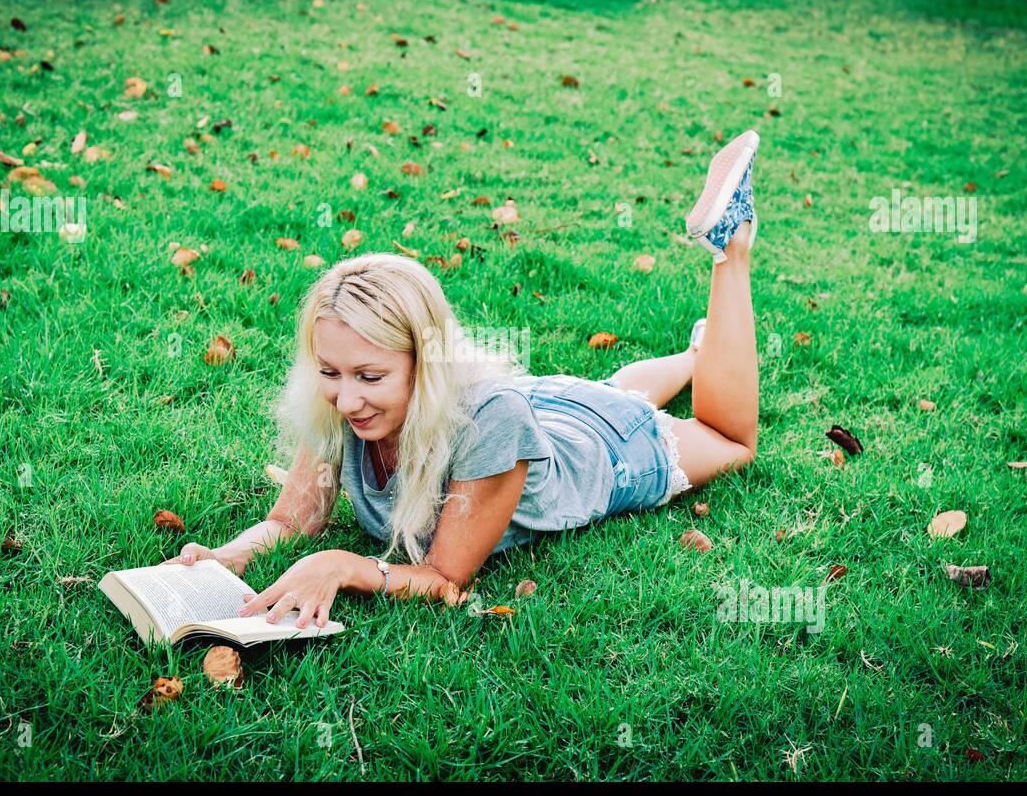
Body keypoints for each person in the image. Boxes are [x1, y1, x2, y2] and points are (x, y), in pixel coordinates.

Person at [163, 130, 761, 630]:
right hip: (544, 409)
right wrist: (229, 555)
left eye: (371, 375)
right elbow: (290, 521)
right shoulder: (345, 401)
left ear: (427, 365)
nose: (346, 398)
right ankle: (695, 352)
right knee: (616, 390)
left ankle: (729, 248)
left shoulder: (489, 420)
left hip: (609, 449)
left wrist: (343, 566)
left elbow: (447, 579)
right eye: (330, 372)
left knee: (727, 439)